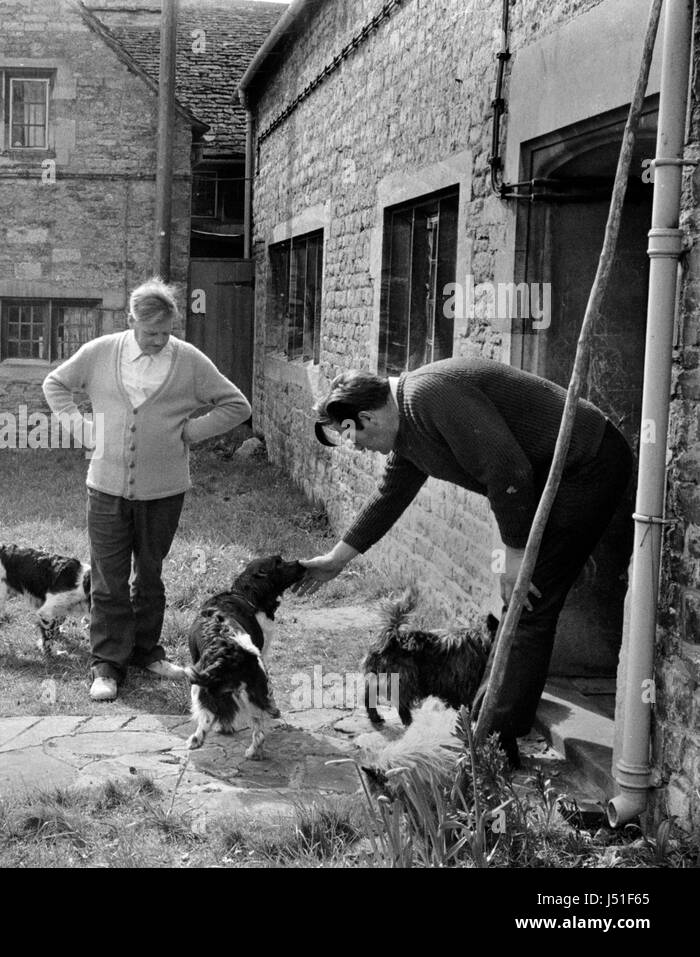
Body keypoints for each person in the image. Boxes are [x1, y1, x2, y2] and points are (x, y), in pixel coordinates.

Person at [295, 356, 633, 763]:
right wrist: (337, 558)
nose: (356, 446)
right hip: (557, 476)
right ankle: (492, 736)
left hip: (588, 462)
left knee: (529, 601)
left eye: (350, 434)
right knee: (526, 604)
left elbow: (508, 471)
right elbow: (390, 495)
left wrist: (515, 556)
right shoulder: (408, 427)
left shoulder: (430, 397)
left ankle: (490, 744)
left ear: (367, 418)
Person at [43, 277, 251, 702]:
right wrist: (82, 429)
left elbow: (236, 405)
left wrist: (190, 431)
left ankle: (146, 653)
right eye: (150, 332)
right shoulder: (101, 352)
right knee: (108, 578)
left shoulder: (189, 360)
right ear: (131, 320)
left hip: (165, 490)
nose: (159, 340)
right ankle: (107, 665)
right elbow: (55, 385)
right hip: (105, 486)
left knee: (150, 574)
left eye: (167, 332)